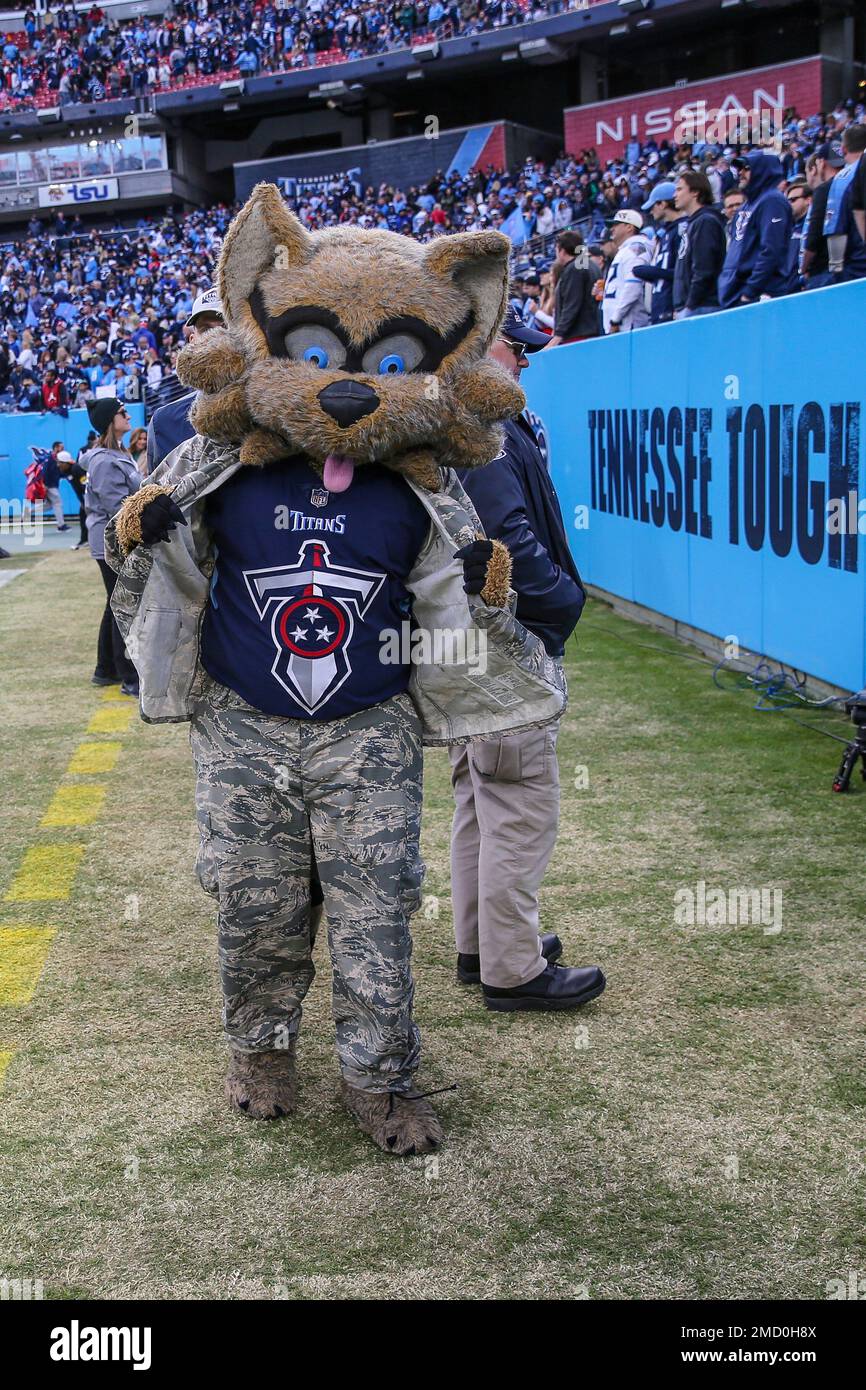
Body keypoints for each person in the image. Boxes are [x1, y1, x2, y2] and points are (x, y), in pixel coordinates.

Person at [450, 307, 605, 1012]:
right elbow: (508, 538)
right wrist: (559, 603)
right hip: (504, 647)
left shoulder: (462, 421)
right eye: (519, 349)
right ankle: (509, 967)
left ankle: (484, 943)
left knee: (481, 798)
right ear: (487, 350)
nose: (528, 363)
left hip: (472, 648)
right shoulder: (478, 433)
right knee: (514, 801)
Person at [83, 398, 142, 696]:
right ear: (110, 420)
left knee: (113, 602)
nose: (128, 415)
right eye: (122, 412)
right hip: (112, 541)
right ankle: (129, 676)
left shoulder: (116, 453)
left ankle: (105, 669)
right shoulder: (105, 459)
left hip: (113, 539)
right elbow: (117, 507)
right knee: (123, 606)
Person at [145, 287, 224, 472]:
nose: (217, 337)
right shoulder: (164, 423)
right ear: (192, 340)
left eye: (227, 326)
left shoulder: (273, 411)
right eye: (206, 329)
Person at [718, 151, 793, 309]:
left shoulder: (773, 201)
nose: (741, 173)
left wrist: (750, 291)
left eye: (746, 168)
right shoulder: (746, 205)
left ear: (763, 170)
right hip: (736, 294)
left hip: (760, 294)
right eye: (739, 169)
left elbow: (771, 249)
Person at [672, 171, 727, 318]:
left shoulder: (705, 222)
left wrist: (689, 305)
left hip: (702, 306)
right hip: (692, 306)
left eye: (679, 189)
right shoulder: (694, 223)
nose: (674, 195)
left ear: (695, 192)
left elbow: (704, 269)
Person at [632, 181, 683, 325]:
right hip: (660, 308)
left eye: (653, 206)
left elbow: (684, 272)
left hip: (673, 309)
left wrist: (655, 272)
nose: (651, 211)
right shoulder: (666, 233)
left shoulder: (682, 230)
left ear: (663, 204)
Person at [823, 123, 866, 283]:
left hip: (856, 268)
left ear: (843, 148)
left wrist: (836, 268)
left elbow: (835, 227)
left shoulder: (844, 178)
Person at [800, 143, 844, 288]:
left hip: (824, 271)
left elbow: (814, 237)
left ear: (821, 162)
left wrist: (803, 268)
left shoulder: (823, 190)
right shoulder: (851, 184)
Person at [601, 209, 651, 334]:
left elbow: (633, 287)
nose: (612, 229)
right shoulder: (625, 250)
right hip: (620, 326)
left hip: (629, 325)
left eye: (616, 224)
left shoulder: (637, 248)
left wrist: (615, 319)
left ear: (629, 227)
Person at [545, 230, 599, 346]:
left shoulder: (575, 269)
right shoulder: (590, 264)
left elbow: (572, 305)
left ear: (561, 250)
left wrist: (557, 336)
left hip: (577, 336)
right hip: (591, 331)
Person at [56, 448, 88, 549]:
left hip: (89, 500)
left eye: (60, 463)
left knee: (89, 520)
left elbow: (85, 485)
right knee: (83, 519)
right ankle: (85, 540)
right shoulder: (67, 470)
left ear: (66, 463)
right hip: (84, 501)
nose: (58, 465)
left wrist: (86, 501)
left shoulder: (76, 469)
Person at [785, 178, 812, 291]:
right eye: (788, 201)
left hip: (807, 287)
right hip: (788, 289)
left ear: (808, 200)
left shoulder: (813, 226)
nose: (789, 204)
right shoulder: (786, 229)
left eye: (793, 200)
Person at [43, 441, 70, 533]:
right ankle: (61, 525)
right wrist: (45, 484)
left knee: (49, 505)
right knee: (57, 503)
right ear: (56, 448)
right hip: (50, 485)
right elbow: (45, 472)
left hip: (53, 484)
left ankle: (28, 512)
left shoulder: (56, 458)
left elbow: (58, 472)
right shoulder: (50, 458)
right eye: (61, 447)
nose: (63, 449)